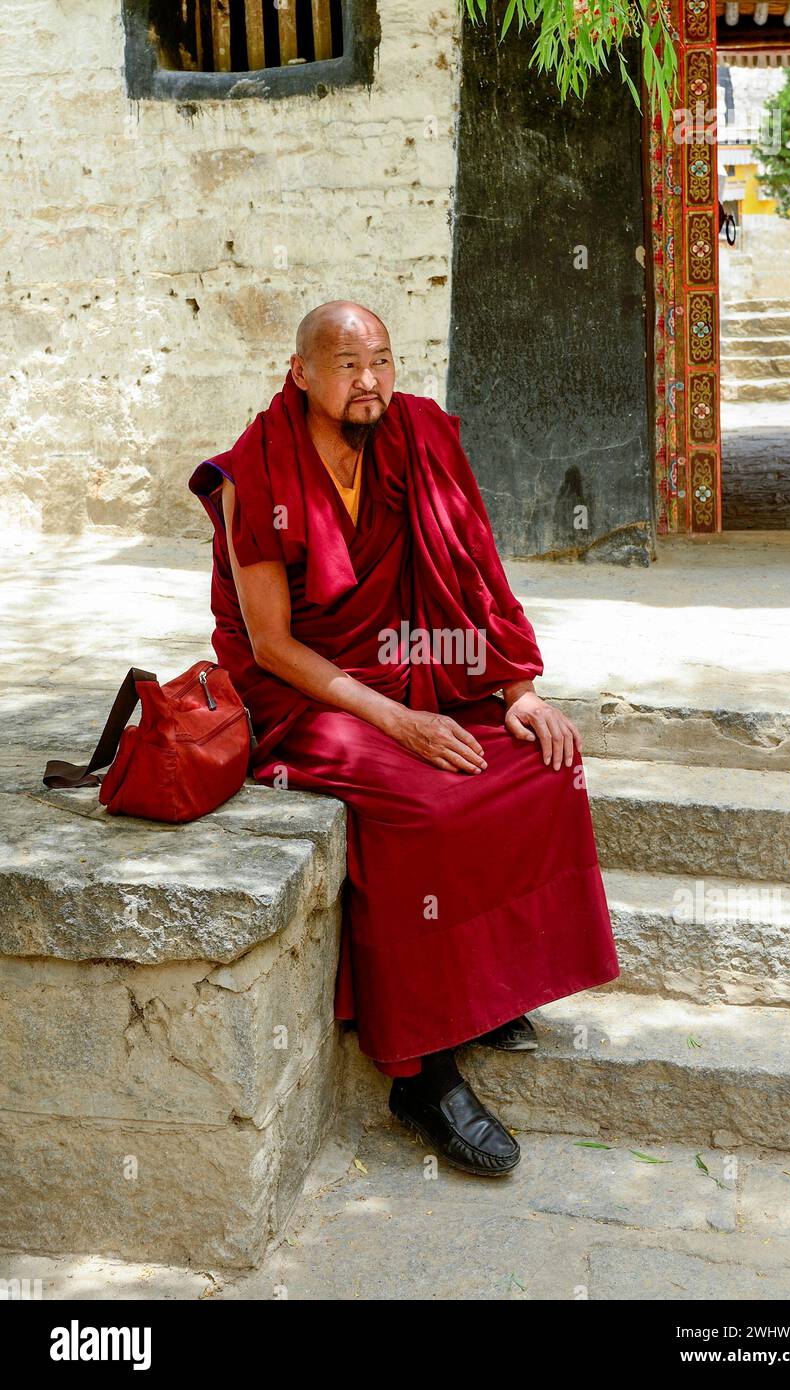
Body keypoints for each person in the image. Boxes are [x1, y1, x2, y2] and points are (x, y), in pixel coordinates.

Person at [189, 300, 620, 1177]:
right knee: (422, 808)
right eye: (347, 365)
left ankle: (482, 988)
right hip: (304, 698)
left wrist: (516, 690)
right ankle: (420, 1074)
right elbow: (271, 642)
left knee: (544, 770)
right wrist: (391, 721)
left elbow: (474, 560)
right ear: (302, 372)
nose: (370, 381)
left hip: (418, 673)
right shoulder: (254, 471)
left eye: (381, 360)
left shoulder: (418, 433)